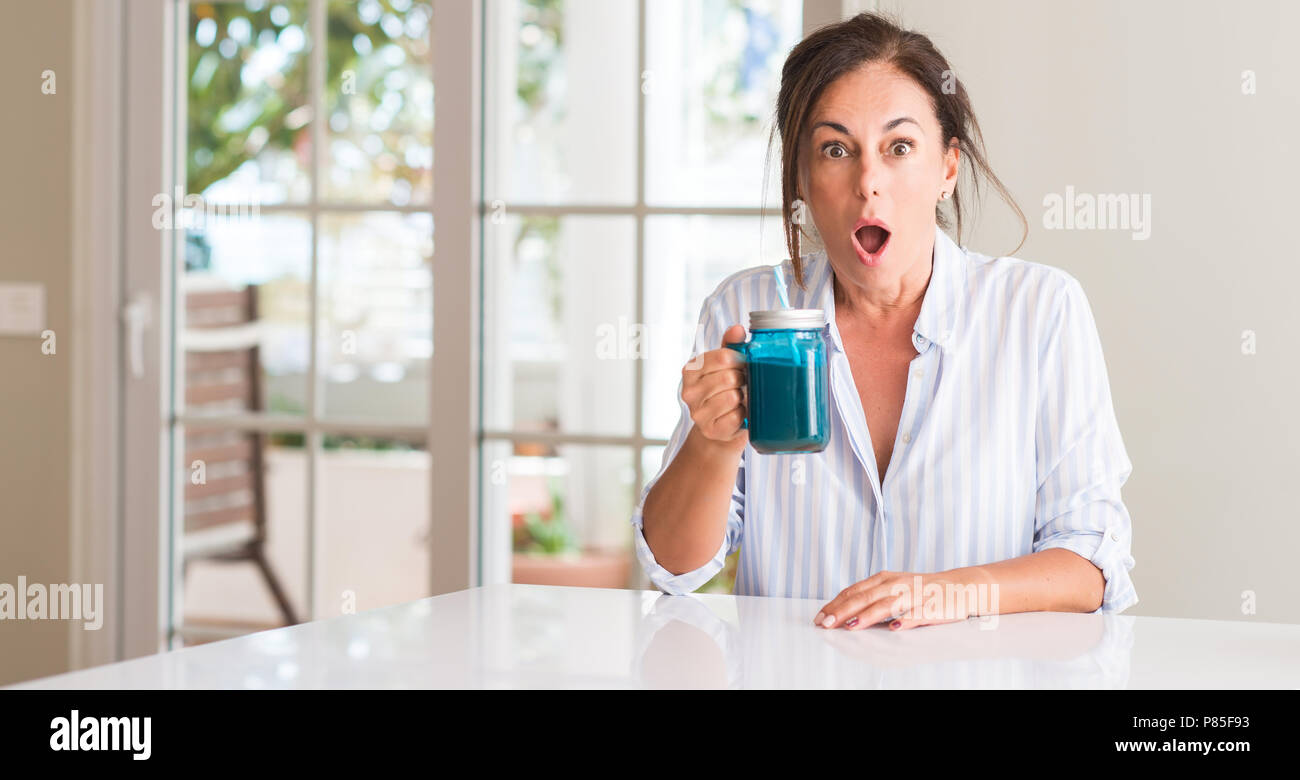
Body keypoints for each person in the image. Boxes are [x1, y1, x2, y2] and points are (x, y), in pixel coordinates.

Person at [631, 11, 1137, 631]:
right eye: (835, 149)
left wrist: (945, 594)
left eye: (900, 147)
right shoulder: (744, 313)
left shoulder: (1040, 311)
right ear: (803, 179)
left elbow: (1091, 563)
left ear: (947, 168)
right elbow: (675, 569)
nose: (869, 182)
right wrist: (712, 445)